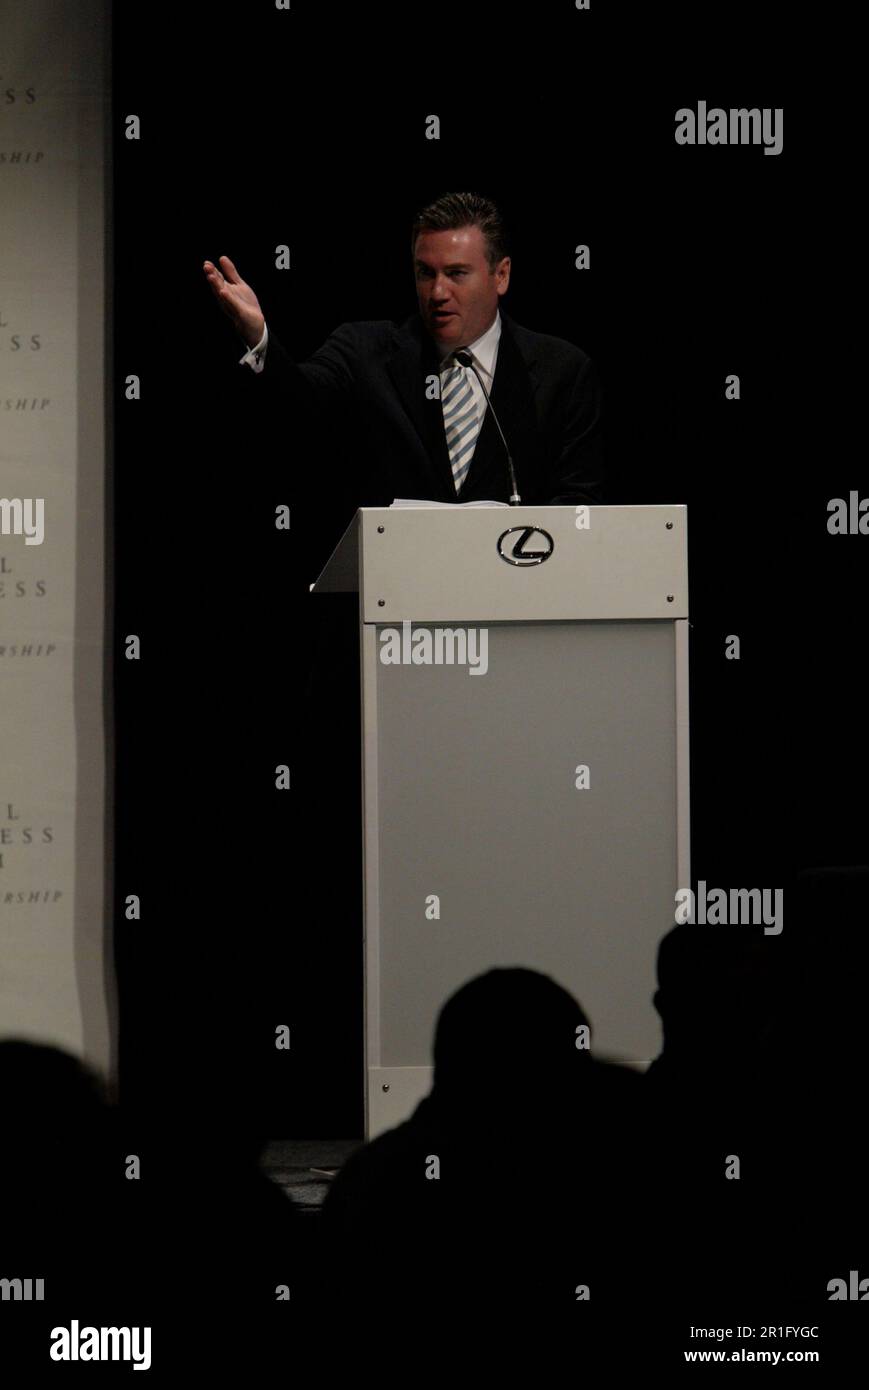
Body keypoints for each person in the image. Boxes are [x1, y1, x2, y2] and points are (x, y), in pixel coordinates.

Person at [203, 191, 605, 507]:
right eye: (425, 274)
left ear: (501, 275)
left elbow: (578, 502)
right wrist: (260, 339)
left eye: (456, 274)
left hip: (516, 597)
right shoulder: (366, 353)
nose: (438, 292)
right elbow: (298, 402)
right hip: (396, 600)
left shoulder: (562, 371)